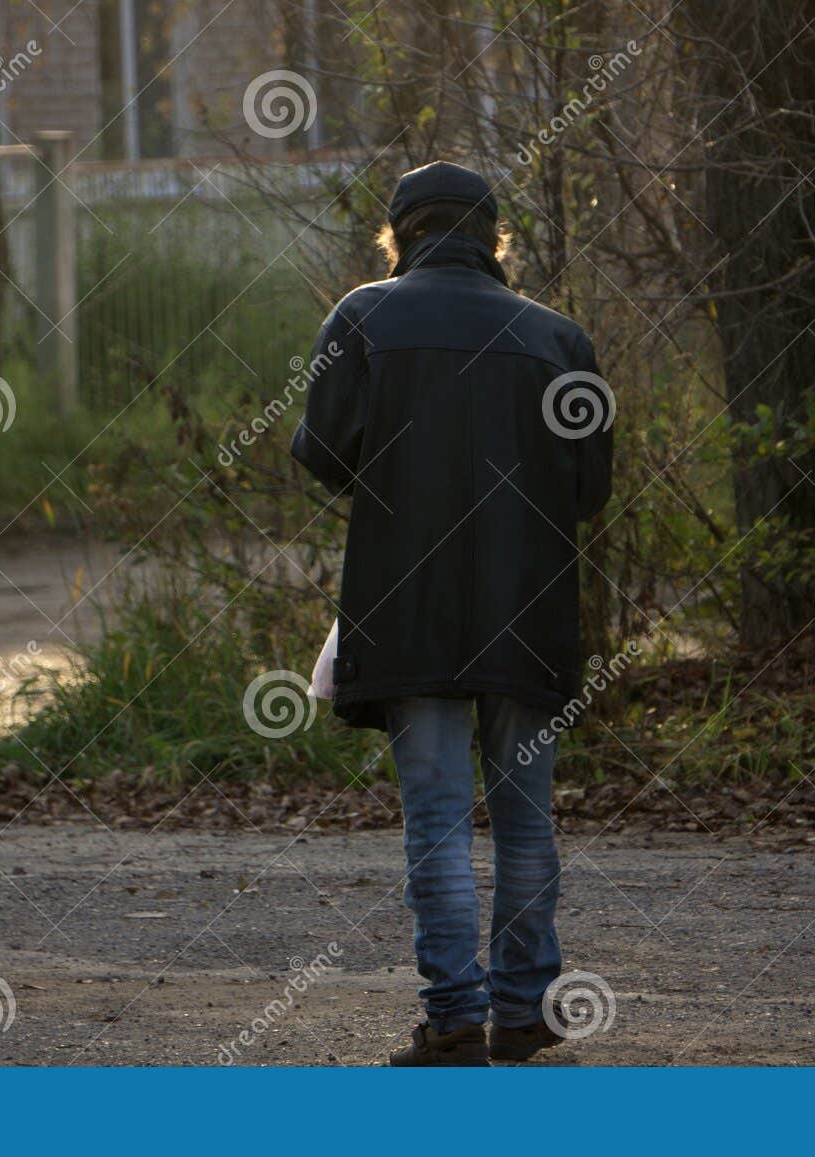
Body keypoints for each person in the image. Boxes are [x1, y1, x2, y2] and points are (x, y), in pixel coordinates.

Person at [291, 160, 613, 1066]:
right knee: (524, 815)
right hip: (529, 606)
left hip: (406, 605)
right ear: (492, 235)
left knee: (434, 815)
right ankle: (522, 1009)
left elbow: (320, 449)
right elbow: (589, 489)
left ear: (400, 235)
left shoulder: (361, 318)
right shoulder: (559, 339)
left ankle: (452, 1019)